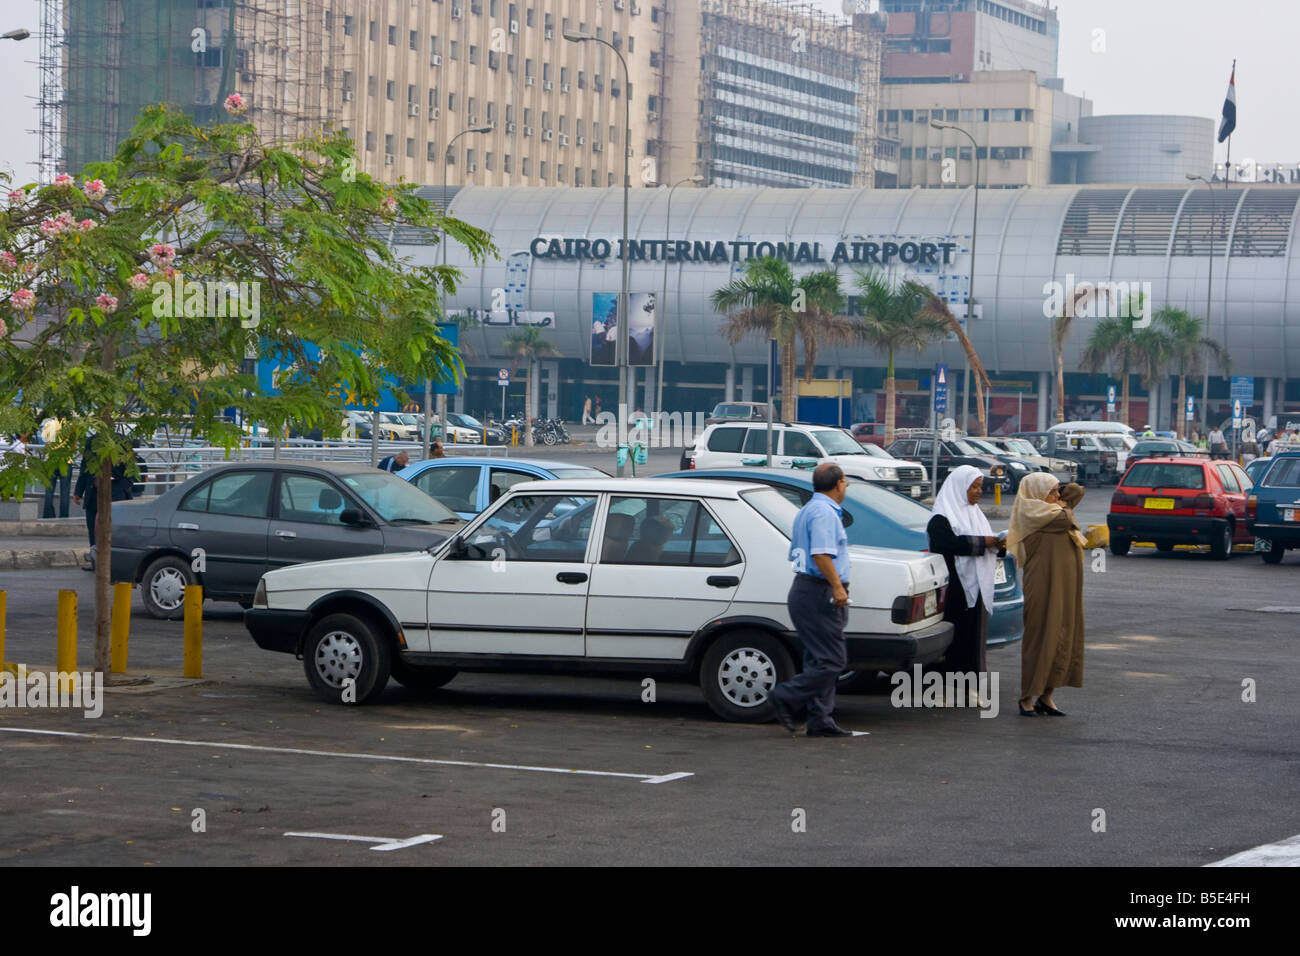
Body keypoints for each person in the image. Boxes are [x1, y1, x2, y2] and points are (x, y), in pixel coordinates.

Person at [767, 463, 855, 737]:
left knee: (819, 660)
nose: (847, 486)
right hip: (818, 592)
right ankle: (784, 695)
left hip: (809, 590)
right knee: (832, 661)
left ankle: (820, 719)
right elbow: (821, 554)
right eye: (845, 481)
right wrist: (838, 587)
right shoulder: (823, 513)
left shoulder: (810, 509)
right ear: (838, 484)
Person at [1005, 473, 1086, 718]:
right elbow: (1065, 518)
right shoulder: (1035, 513)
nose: (1058, 496)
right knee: (1042, 635)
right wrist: (1062, 505)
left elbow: (1077, 492)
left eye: (1057, 491)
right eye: (1052, 492)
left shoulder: (1053, 509)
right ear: (1037, 494)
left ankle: (1047, 696)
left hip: (1066, 585)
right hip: (1043, 584)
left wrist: (1061, 491)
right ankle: (1027, 697)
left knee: (1064, 635)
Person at [926, 466, 1002, 705]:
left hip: (976, 587)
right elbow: (948, 543)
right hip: (954, 589)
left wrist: (999, 544)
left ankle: (971, 689)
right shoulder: (941, 517)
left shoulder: (975, 513)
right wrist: (985, 542)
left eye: (980, 486)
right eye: (975, 487)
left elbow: (985, 540)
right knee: (954, 640)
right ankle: (949, 690)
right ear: (960, 487)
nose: (979, 492)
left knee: (974, 638)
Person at [72, 436, 135, 569]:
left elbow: (129, 477)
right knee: (92, 529)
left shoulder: (120, 442)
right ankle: (96, 562)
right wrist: (78, 491)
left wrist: (115, 488)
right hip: (93, 493)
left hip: (115, 495)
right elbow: (84, 469)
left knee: (113, 530)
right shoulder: (91, 442)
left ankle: (112, 563)